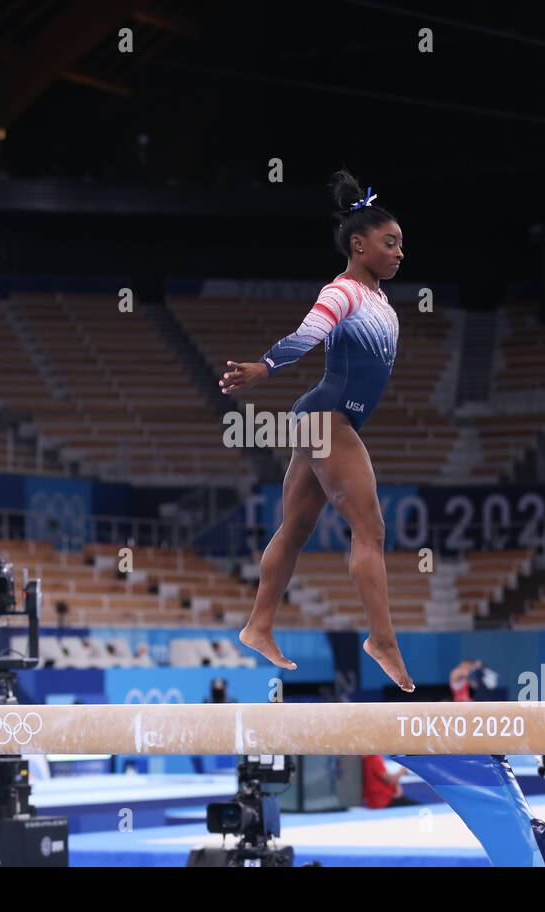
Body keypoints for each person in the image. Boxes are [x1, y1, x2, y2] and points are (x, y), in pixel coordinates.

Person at [227, 169, 412, 692]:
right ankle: (382, 640)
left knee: (296, 527)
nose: (400, 253)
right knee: (370, 529)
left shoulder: (378, 300)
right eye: (389, 243)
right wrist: (265, 366)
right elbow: (309, 333)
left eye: (402, 245)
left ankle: (259, 625)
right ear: (359, 244)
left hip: (325, 418)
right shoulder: (344, 291)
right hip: (327, 417)